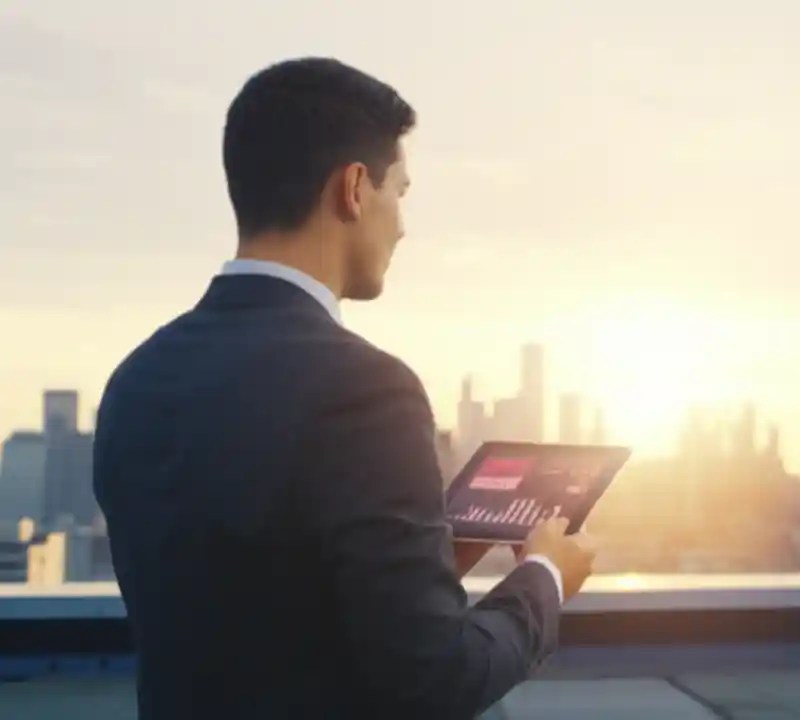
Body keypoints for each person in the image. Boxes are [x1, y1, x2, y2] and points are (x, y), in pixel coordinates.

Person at [92, 57, 596, 719]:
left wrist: (426, 562)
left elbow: (255, 606)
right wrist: (546, 577)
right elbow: (436, 681)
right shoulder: (367, 391)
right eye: (402, 193)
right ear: (355, 189)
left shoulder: (137, 378)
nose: (404, 225)